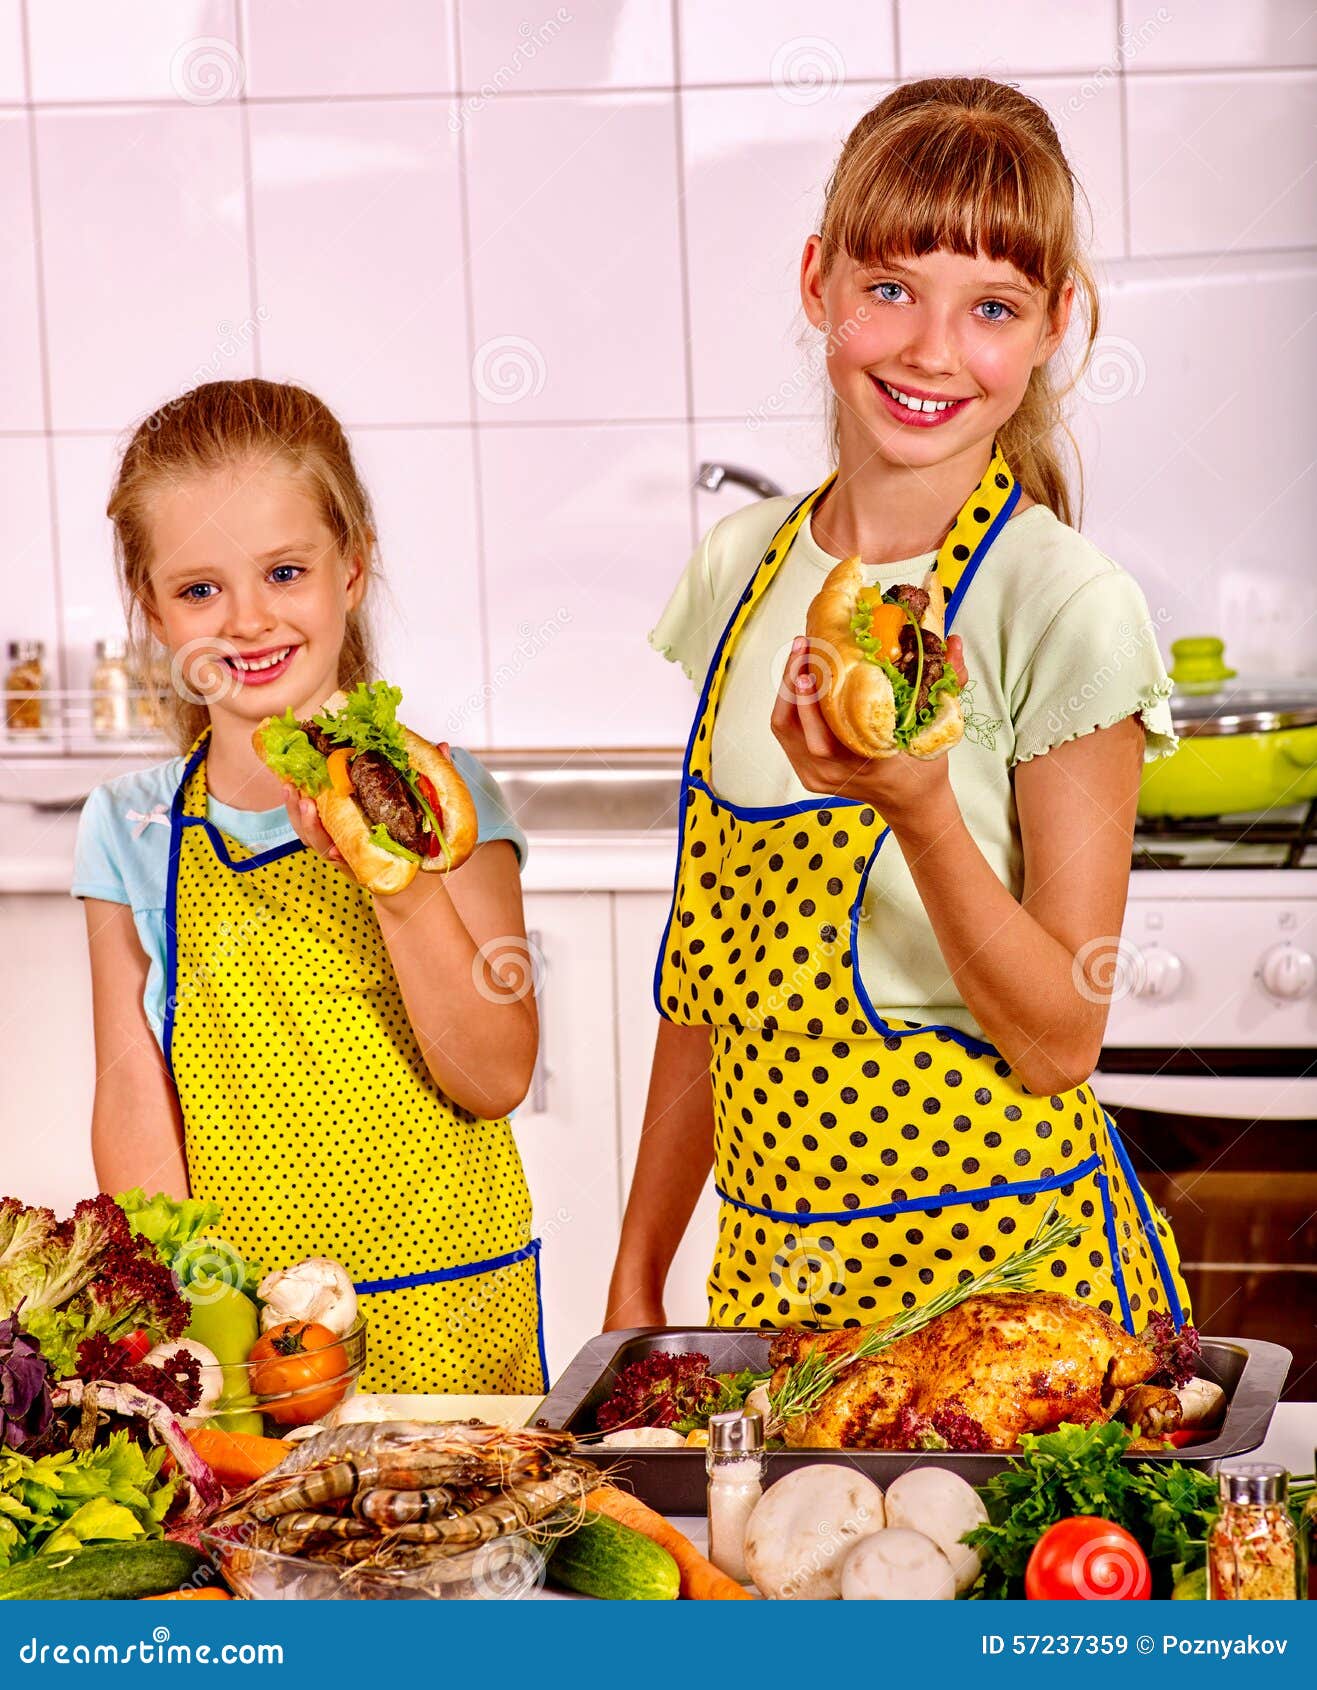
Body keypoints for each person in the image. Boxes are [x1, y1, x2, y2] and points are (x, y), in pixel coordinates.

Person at [607, 78, 1191, 1341]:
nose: (932, 350)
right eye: (890, 289)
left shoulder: (1065, 604)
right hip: (774, 1306)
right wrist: (637, 1270)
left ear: (1055, 323)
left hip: (1010, 1304)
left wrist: (919, 811)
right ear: (817, 282)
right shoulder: (738, 569)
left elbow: (1060, 1041)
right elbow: (704, 980)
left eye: (993, 307)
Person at [75, 378, 546, 1393]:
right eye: (199, 591)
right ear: (153, 608)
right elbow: (131, 1084)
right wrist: (188, 1312)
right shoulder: (129, 826)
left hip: (455, 1322)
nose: (247, 621)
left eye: (284, 572)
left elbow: (496, 1075)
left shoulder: (440, 794)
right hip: (255, 1340)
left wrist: (395, 880)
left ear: (352, 569)